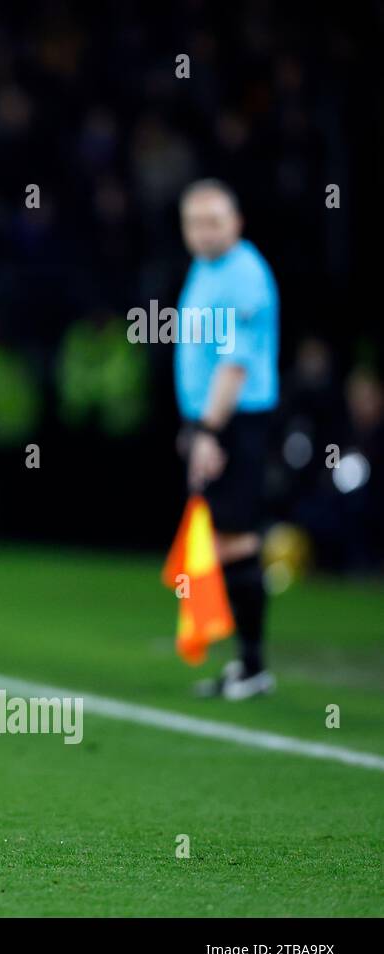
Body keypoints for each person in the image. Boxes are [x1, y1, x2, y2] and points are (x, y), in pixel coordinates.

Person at [175, 179, 279, 700]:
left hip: (238, 422)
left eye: (215, 220)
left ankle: (254, 667)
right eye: (195, 221)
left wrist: (210, 432)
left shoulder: (243, 275)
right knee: (222, 539)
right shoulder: (207, 269)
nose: (204, 231)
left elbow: (234, 365)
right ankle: (246, 664)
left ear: (236, 223)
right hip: (213, 422)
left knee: (237, 538)